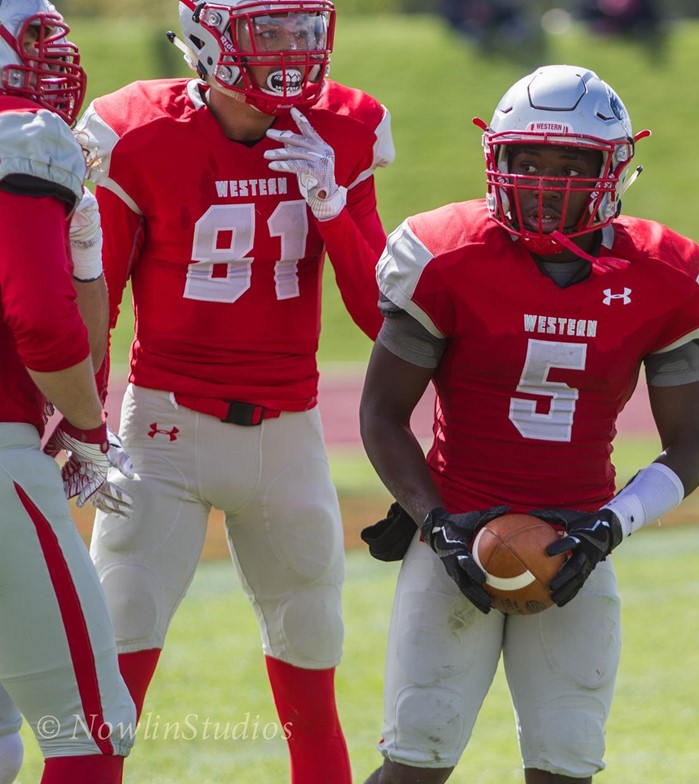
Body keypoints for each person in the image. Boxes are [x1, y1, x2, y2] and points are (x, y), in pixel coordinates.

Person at [358, 64, 699, 783]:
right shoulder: (447, 255)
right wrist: (439, 526)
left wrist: (608, 526)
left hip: (575, 543)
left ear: (612, 171)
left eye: (571, 166)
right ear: (497, 158)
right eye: (528, 160)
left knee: (566, 765)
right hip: (456, 532)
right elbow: (382, 414)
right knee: (416, 759)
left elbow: (690, 444)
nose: (546, 183)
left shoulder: (664, 275)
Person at [72, 1, 394, 781]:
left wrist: (332, 208)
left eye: (301, 28)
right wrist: (83, 424)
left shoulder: (342, 129)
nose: (292, 48)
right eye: (268, 30)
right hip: (163, 432)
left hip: (288, 434)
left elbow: (381, 315)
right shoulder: (137, 132)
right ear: (207, 38)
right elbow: (97, 299)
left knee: (313, 690)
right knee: (108, 691)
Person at [0, 2, 138, 781]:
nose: (53, 59)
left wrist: (82, 244)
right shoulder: (21, 132)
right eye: (32, 40)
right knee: (90, 730)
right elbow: (46, 327)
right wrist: (87, 428)